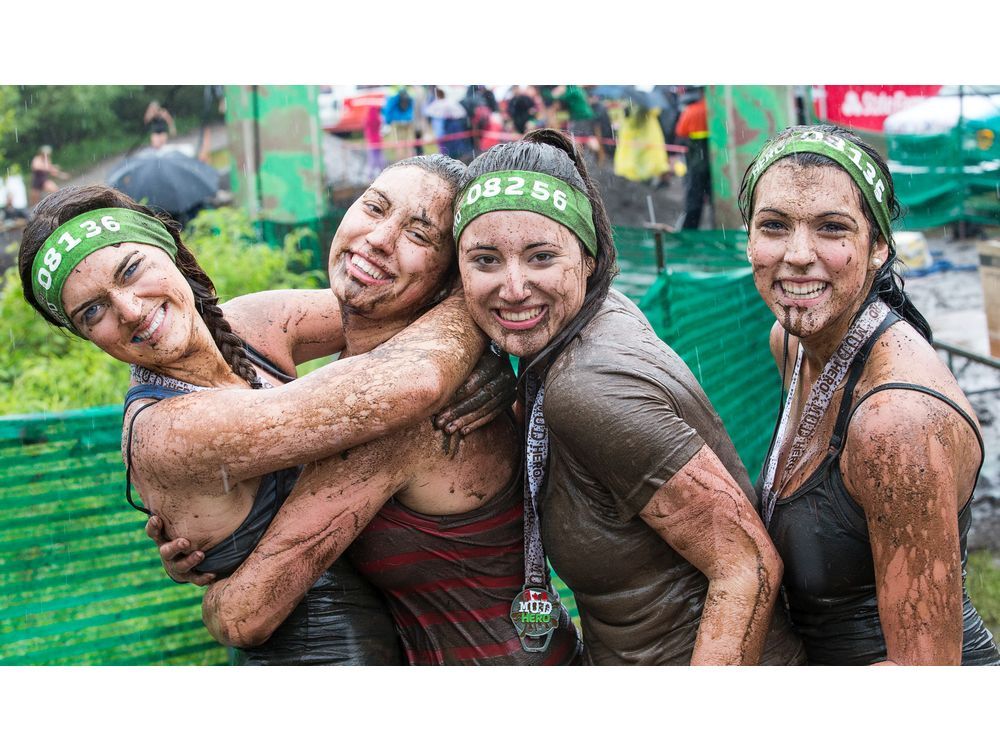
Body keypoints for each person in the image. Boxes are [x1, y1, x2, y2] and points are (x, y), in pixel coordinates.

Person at [18, 181, 503, 665]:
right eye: (93, 311)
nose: (129, 310)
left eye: (130, 270)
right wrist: (478, 299)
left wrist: (495, 355)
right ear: (84, 333)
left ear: (169, 250)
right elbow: (408, 382)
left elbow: (396, 304)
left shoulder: (250, 323)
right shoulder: (168, 431)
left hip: (391, 630)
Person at [157, 155, 582, 666]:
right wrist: (215, 532)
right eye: (375, 207)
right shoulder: (365, 366)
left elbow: (243, 616)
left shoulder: (397, 411)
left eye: (419, 235)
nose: (379, 238)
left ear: (451, 279)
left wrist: (218, 587)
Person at [453, 129, 806, 665]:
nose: (514, 287)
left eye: (542, 257)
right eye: (485, 260)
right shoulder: (593, 315)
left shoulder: (588, 389)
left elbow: (747, 564)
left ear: (588, 258)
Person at [740, 124, 1000, 666]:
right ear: (749, 239)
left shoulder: (896, 423)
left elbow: (924, 674)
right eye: (774, 225)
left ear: (878, 246)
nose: (798, 254)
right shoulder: (790, 344)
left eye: (832, 228)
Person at [674, 87, 711, 229]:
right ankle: (719, 228)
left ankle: (690, 230)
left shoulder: (690, 111)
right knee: (715, 199)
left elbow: (680, 132)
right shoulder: (712, 110)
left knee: (694, 198)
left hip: (696, 162)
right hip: (715, 164)